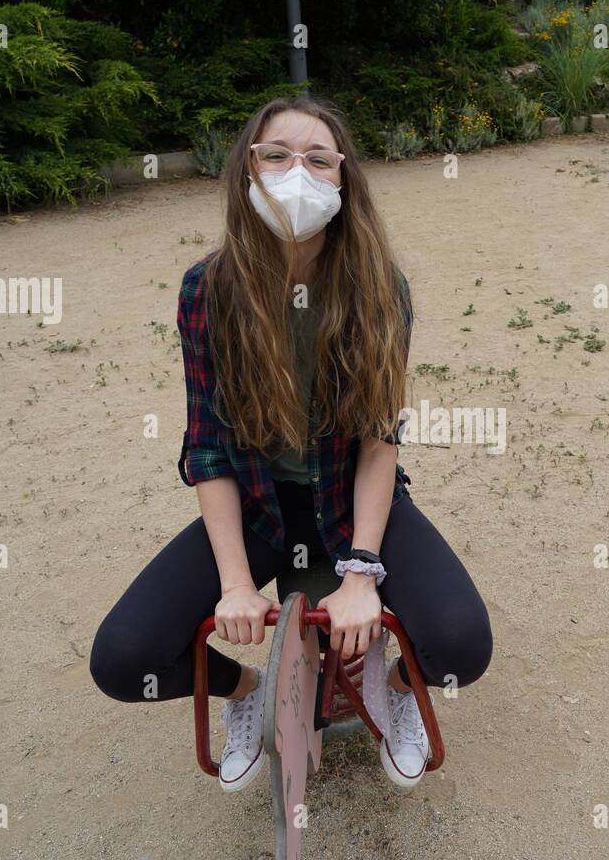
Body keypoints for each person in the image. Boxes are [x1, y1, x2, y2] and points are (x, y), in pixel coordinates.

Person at [91, 94, 492, 791]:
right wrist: (237, 585)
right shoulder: (207, 291)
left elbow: (378, 438)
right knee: (124, 658)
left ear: (344, 180)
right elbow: (208, 447)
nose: (294, 173)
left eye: (317, 159)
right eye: (275, 155)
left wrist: (362, 572)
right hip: (259, 505)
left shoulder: (377, 288)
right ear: (246, 171)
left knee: (462, 647)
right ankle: (246, 696)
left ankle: (388, 687)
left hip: (349, 500)